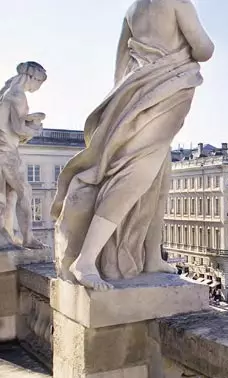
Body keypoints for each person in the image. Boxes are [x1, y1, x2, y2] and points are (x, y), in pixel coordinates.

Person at [51, 0, 215, 291]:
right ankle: (86, 259)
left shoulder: (134, 9)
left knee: (160, 180)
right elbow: (204, 49)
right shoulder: (177, 2)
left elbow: (119, 68)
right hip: (164, 92)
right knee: (136, 176)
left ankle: (152, 255)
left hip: (136, 92)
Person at [0, 62, 48, 250]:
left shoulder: (5, 92)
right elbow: (19, 128)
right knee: (24, 192)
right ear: (33, 78)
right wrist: (35, 128)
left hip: (3, 149)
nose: (37, 87)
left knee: (9, 196)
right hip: (7, 153)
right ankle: (28, 238)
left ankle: (7, 234)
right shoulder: (17, 95)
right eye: (39, 82)